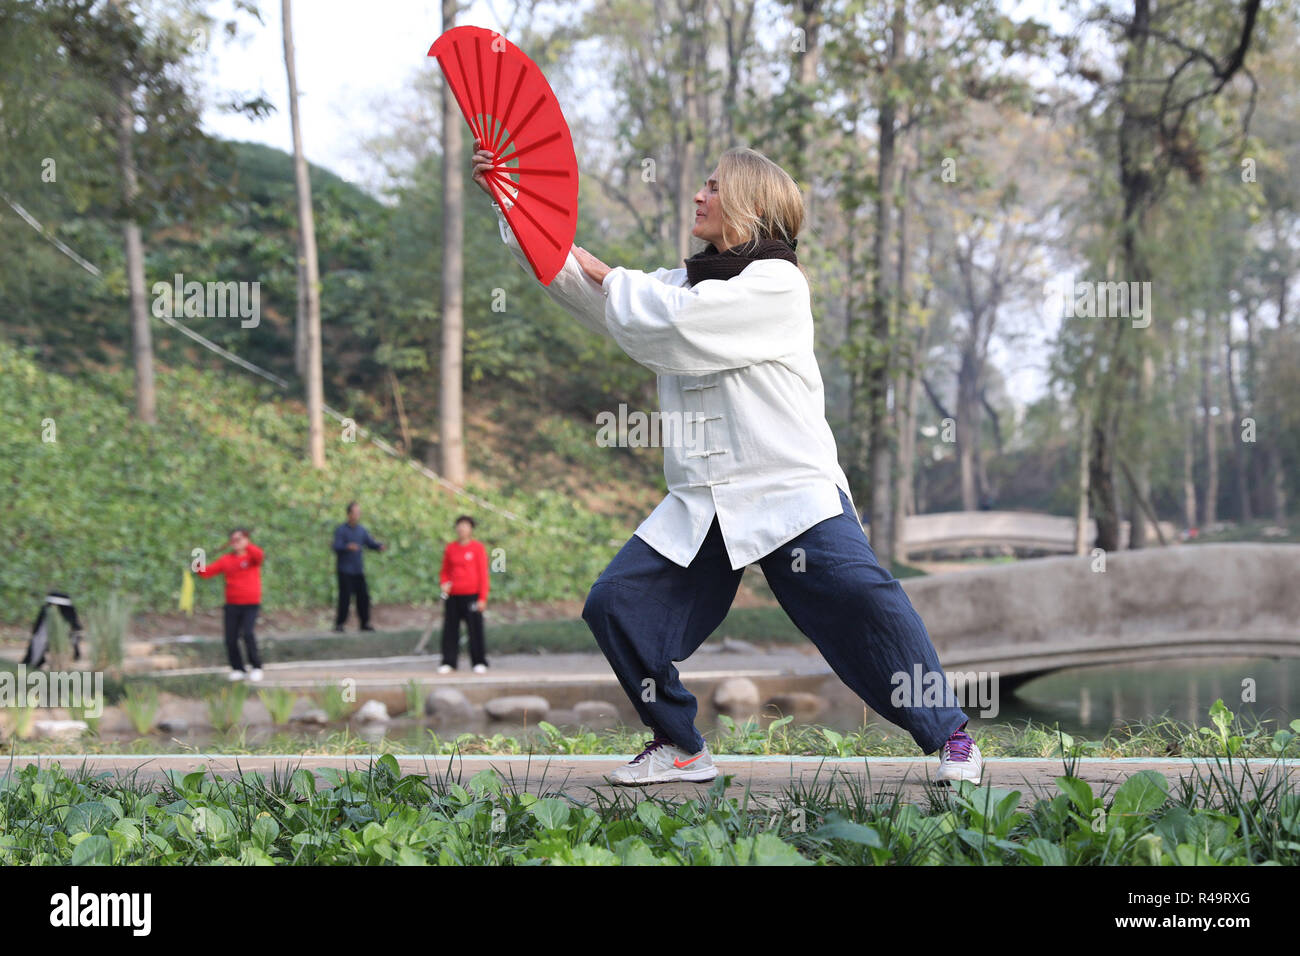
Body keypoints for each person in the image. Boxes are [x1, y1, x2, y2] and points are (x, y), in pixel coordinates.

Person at [474, 143, 982, 786]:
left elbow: (681, 325)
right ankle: (680, 745)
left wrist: (607, 272)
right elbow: (581, 287)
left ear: (750, 205)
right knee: (617, 602)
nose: (699, 195)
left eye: (713, 187)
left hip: (789, 488)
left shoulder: (777, 284)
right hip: (705, 498)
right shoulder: (676, 286)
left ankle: (950, 737)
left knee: (864, 600)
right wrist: (512, 203)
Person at [197, 528, 265, 682]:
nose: (236, 542)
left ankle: (256, 666)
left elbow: (259, 555)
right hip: (232, 604)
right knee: (230, 638)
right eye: (233, 539)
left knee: (248, 634)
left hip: (251, 604)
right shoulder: (226, 560)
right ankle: (237, 668)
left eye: (239, 539)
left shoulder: (252, 557)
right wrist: (197, 559)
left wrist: (245, 542)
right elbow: (205, 573)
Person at [437, 515, 489, 674]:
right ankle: (449, 662)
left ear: (471, 529)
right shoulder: (450, 548)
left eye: (465, 526)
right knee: (450, 629)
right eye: (459, 526)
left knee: (475, 629)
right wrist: (444, 583)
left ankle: (479, 661)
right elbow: (445, 571)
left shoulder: (477, 548)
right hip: (453, 596)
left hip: (472, 595)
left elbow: (483, 574)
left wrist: (482, 597)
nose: (462, 529)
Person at [332, 501, 386, 632]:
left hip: (358, 570)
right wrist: (347, 546)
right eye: (355, 513)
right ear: (349, 514)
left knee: (363, 597)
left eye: (359, 513)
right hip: (345, 570)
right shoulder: (341, 530)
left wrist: (378, 546)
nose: (357, 515)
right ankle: (340, 624)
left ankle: (364, 623)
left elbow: (369, 543)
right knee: (345, 598)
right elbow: (336, 546)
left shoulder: (361, 530)